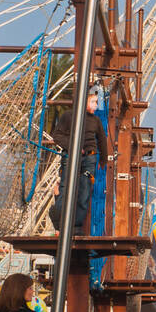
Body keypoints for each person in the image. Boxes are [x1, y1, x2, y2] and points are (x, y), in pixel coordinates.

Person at [49, 85, 108, 233]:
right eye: (93, 102)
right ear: (84, 101)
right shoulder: (69, 116)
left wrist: (103, 159)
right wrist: (73, 147)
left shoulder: (95, 121)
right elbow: (57, 136)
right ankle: (60, 221)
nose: (96, 105)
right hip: (70, 157)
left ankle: (75, 226)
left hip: (89, 158)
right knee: (66, 188)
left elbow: (102, 139)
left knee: (85, 191)